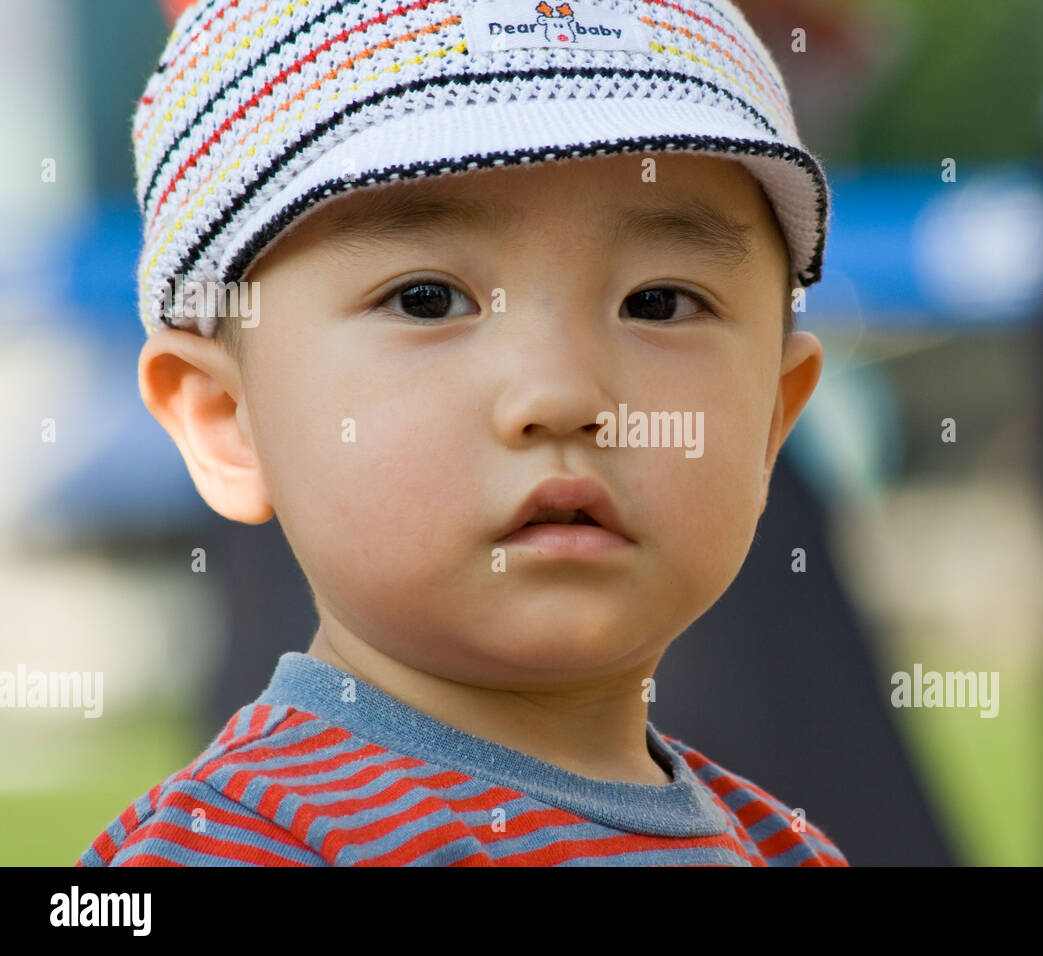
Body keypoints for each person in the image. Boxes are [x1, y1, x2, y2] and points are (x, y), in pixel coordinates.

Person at [78, 0, 847, 866]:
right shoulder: (239, 846)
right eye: (427, 299)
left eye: (658, 302)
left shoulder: (790, 846)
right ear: (227, 421)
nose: (561, 396)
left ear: (773, 418)